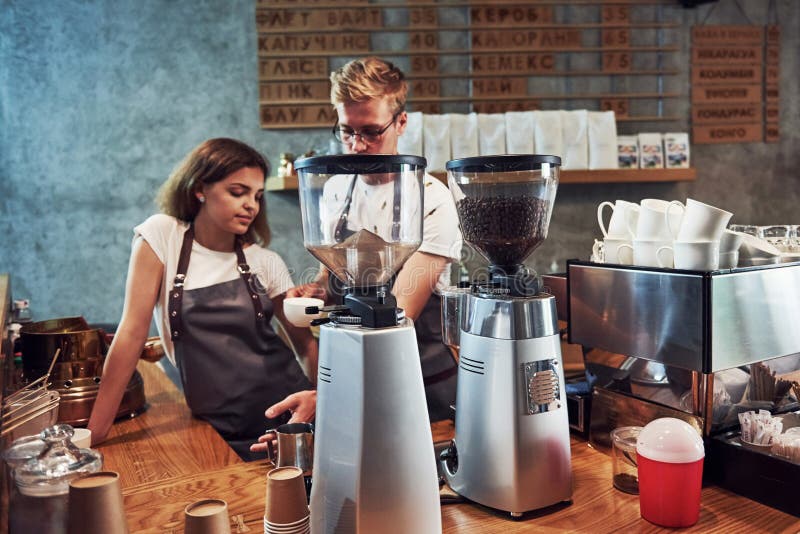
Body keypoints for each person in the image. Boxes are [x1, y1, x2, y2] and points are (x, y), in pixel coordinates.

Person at [88, 138, 317, 461]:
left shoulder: (266, 261)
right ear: (200, 189)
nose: (251, 204)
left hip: (285, 418)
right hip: (214, 427)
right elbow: (131, 331)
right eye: (238, 192)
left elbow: (305, 346)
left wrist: (320, 402)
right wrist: (95, 433)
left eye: (257, 195)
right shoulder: (162, 236)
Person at [286, 56, 462, 421]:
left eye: (370, 132)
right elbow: (331, 277)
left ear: (401, 122)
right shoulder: (336, 189)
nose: (357, 145)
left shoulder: (432, 198)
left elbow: (400, 315)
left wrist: (335, 392)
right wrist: (317, 291)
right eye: (347, 131)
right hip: (354, 364)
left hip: (421, 378)